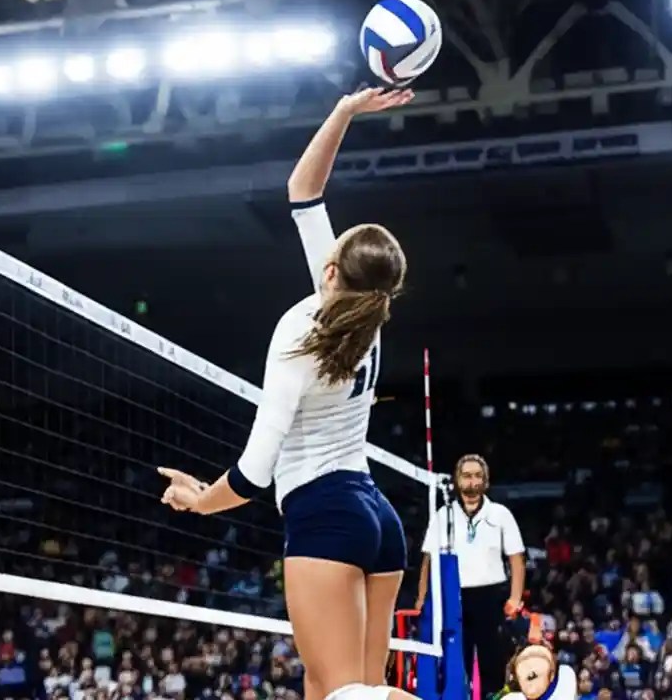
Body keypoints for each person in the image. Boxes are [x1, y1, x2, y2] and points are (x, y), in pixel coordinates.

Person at [157, 87, 423, 700]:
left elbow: (255, 472)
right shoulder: (368, 313)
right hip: (377, 519)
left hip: (326, 515)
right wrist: (344, 112)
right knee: (341, 691)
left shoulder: (300, 334)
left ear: (332, 269)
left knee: (343, 696)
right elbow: (305, 193)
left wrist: (198, 501)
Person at [416, 454, 526, 699]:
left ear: (485, 481)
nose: (472, 481)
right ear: (457, 480)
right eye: (467, 475)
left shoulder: (500, 514)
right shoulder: (443, 515)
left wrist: (515, 597)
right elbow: (428, 560)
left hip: (491, 596)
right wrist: (422, 599)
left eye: (478, 476)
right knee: (456, 662)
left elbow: (517, 559)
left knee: (493, 662)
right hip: (454, 597)